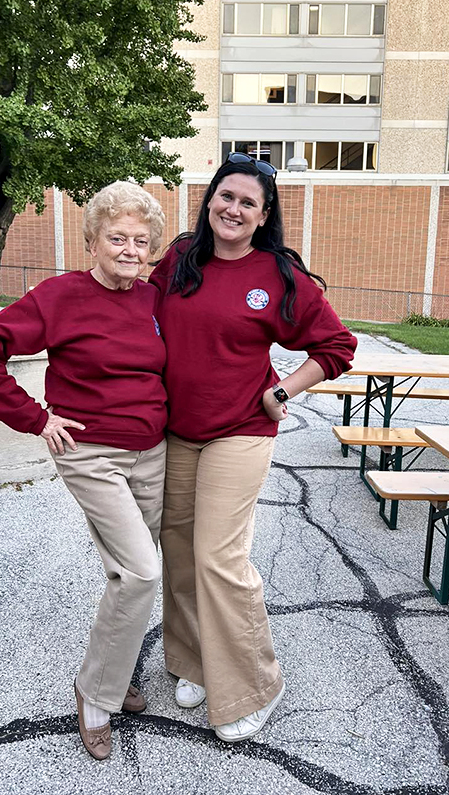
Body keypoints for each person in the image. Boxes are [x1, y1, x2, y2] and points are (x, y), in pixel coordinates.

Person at [0, 181, 168, 761]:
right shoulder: (60, 297)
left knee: (127, 574)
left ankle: (115, 668)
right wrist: (33, 417)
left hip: (153, 454)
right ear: (92, 242)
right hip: (90, 452)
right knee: (144, 573)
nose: (129, 248)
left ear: (152, 249)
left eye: (140, 240)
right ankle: (95, 696)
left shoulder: (153, 300)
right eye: (117, 237)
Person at [149, 153, 357, 742]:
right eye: (226, 196)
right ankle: (191, 661)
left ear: (264, 216)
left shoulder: (278, 275)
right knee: (181, 552)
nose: (233, 209)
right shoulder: (181, 257)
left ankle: (255, 685)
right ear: (210, 198)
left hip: (240, 430)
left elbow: (337, 346)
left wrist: (283, 388)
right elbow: (137, 314)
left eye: (248, 202)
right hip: (176, 432)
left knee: (219, 558)